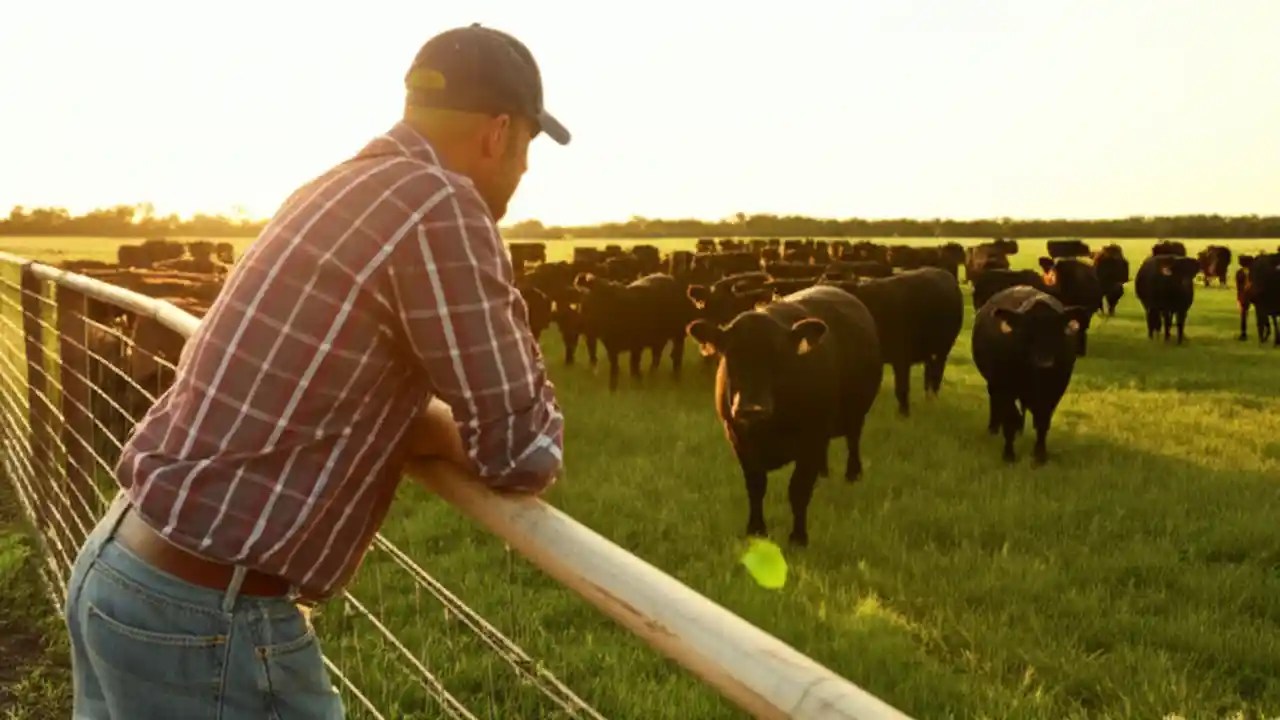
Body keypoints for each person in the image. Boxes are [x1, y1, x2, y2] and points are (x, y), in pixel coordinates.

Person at [63, 23, 568, 719]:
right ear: (497, 133)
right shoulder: (441, 206)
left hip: (123, 566)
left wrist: (409, 421)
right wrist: (443, 432)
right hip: (206, 622)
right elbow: (522, 450)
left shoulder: (333, 187)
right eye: (527, 148)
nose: (524, 170)